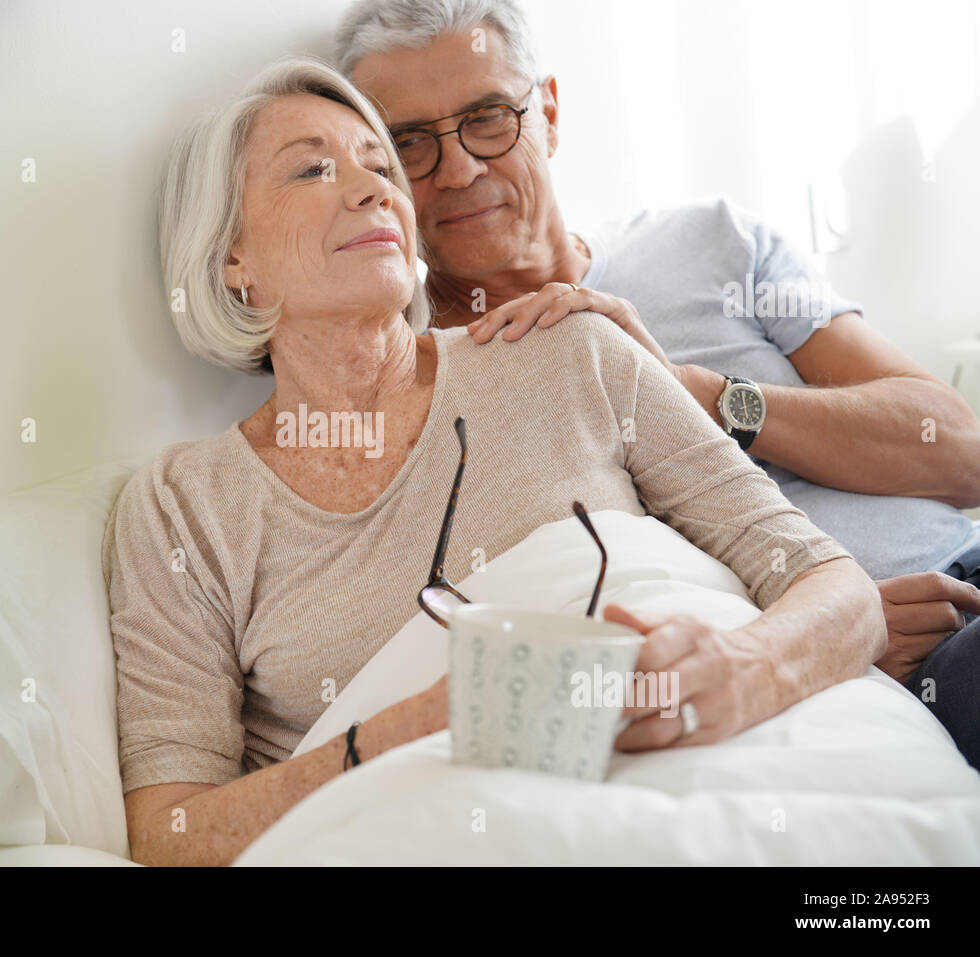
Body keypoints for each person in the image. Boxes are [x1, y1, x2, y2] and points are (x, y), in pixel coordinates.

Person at [106, 56, 885, 866]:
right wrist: (436, 721)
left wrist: (748, 667)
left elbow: (837, 588)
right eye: (312, 169)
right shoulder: (181, 506)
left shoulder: (568, 351)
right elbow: (170, 836)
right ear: (232, 257)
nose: (375, 189)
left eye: (380, 165)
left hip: (712, 776)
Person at [334, 0, 980, 767]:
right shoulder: (427, 388)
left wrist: (689, 393)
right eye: (411, 144)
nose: (460, 169)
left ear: (547, 110)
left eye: (487, 118)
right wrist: (839, 628)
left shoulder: (713, 239)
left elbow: (959, 449)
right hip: (879, 674)